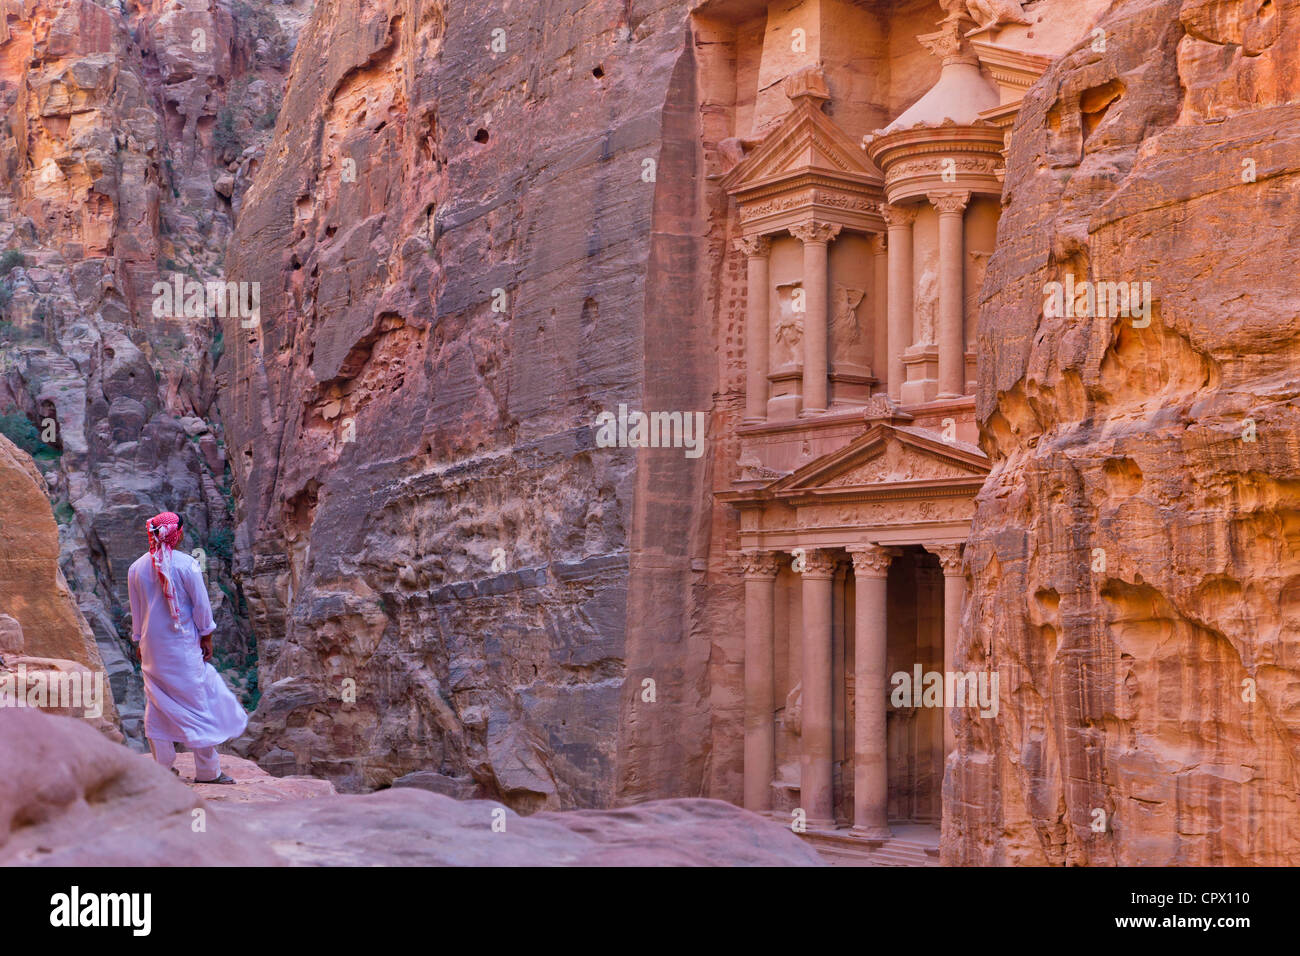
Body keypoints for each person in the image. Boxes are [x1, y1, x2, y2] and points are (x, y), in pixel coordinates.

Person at [127, 511, 247, 784]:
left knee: (157, 702)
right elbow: (202, 607)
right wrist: (207, 636)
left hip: (152, 648)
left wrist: (138, 640)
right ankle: (208, 771)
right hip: (182, 647)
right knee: (197, 705)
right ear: (176, 535)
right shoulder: (187, 565)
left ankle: (162, 769)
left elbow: (137, 611)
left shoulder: (136, 568)